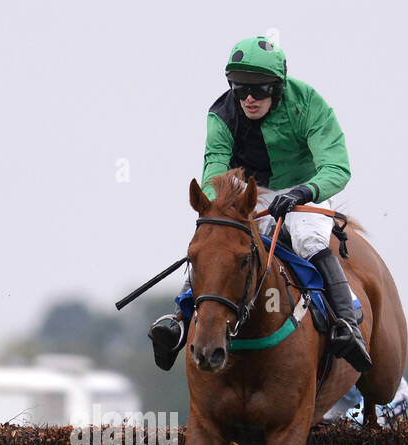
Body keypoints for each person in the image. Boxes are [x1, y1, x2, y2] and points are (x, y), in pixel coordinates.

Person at [149, 37, 372, 374]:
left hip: (304, 188)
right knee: (218, 241)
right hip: (251, 191)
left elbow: (337, 167)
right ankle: (179, 319)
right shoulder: (222, 114)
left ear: (278, 87)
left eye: (260, 89)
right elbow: (214, 170)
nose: (249, 99)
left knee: (309, 240)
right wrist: (221, 207)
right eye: (240, 90)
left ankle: (346, 323)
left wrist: (303, 192)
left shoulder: (309, 103)